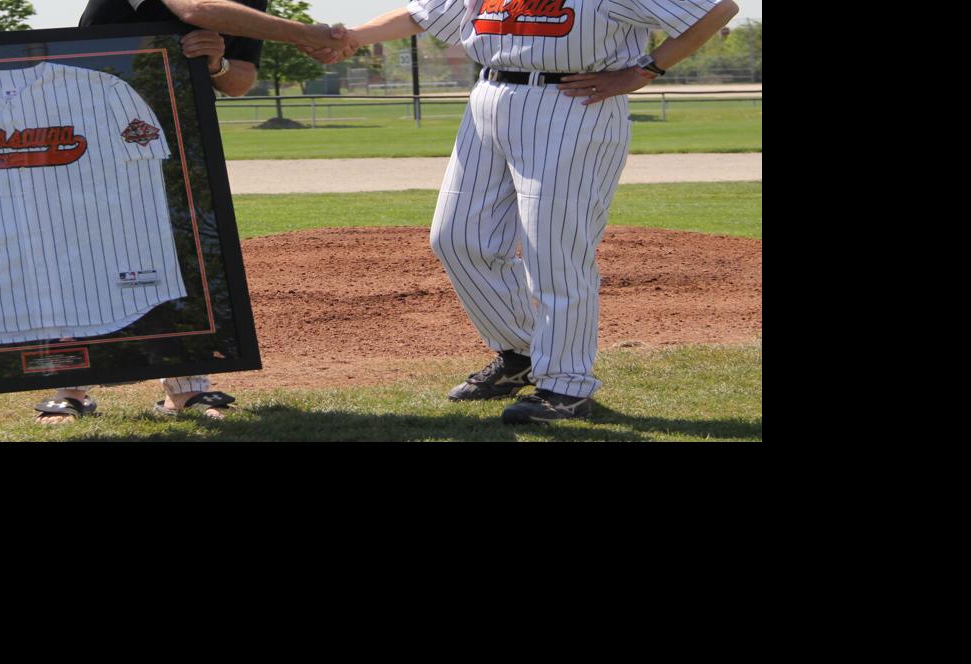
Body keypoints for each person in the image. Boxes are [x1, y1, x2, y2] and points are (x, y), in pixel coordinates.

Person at [313, 0, 739, 424]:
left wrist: (645, 70)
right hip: (489, 98)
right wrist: (352, 37)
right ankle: (521, 354)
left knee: (555, 252)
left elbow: (716, 10)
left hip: (573, 103)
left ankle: (567, 384)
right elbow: (421, 14)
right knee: (456, 238)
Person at [33, 0, 341, 424]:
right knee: (82, 249)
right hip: (86, 129)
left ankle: (187, 388)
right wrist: (309, 35)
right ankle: (71, 388)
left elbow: (240, 81)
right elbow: (196, 8)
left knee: (182, 249)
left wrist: (215, 64)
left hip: (179, 129)